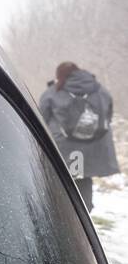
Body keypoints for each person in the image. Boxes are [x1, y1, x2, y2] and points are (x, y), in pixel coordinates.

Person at [39, 62, 119, 209]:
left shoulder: (53, 92)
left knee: (60, 177)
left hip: (63, 146)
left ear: (60, 76)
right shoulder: (100, 90)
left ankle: (61, 210)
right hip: (92, 147)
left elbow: (41, 118)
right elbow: (108, 115)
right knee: (84, 178)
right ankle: (84, 210)